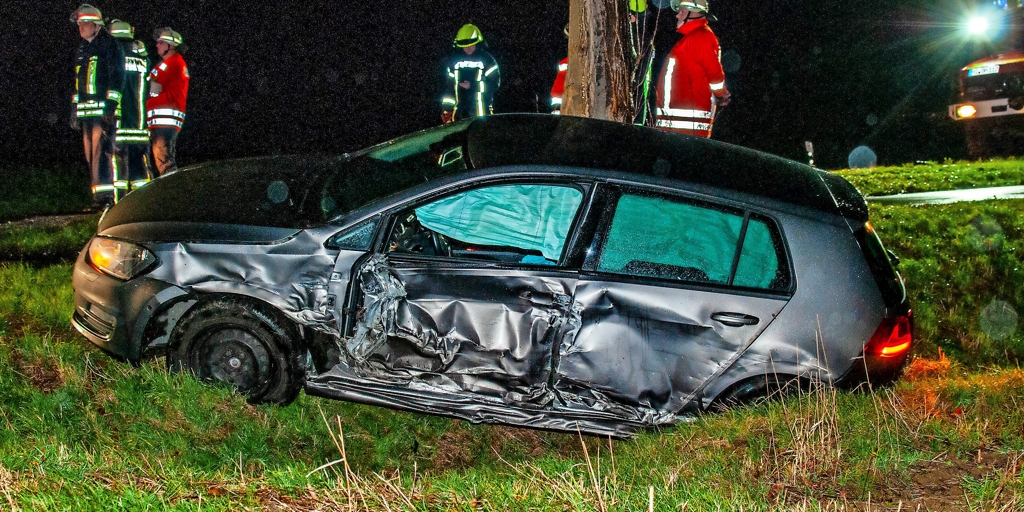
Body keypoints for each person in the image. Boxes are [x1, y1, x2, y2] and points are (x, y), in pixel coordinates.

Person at [71, 4, 125, 208]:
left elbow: (117, 76)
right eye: (79, 24)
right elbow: (78, 82)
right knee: (91, 156)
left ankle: (105, 199)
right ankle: (98, 197)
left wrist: (111, 105)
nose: (81, 27)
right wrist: (75, 109)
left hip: (102, 111)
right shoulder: (83, 49)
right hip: (87, 112)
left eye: (84, 23)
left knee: (101, 154)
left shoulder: (110, 46)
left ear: (97, 25)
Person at [654, 0, 730, 137]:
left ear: (694, 14)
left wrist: (721, 93)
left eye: (681, 12)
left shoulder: (701, 37)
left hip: (688, 126)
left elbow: (715, 74)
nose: (677, 16)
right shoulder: (693, 38)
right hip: (680, 124)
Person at [109, 19, 151, 200]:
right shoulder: (142, 58)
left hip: (119, 123)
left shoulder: (113, 56)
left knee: (119, 167)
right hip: (139, 125)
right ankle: (144, 201)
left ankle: (120, 203)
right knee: (140, 167)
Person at [147, 27, 189, 176]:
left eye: (160, 42)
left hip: (165, 120)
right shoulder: (165, 64)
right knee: (162, 158)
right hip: (159, 119)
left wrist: (147, 87)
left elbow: (154, 88)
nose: (157, 45)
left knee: (165, 159)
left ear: (170, 46)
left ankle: (173, 187)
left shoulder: (175, 64)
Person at [441, 24, 500, 123]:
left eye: (470, 45)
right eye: (465, 46)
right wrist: (446, 110)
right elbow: (449, 87)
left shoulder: (487, 59)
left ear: (477, 43)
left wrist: (472, 86)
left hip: (481, 115)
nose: (467, 48)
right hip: (458, 116)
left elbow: (494, 83)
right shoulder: (453, 61)